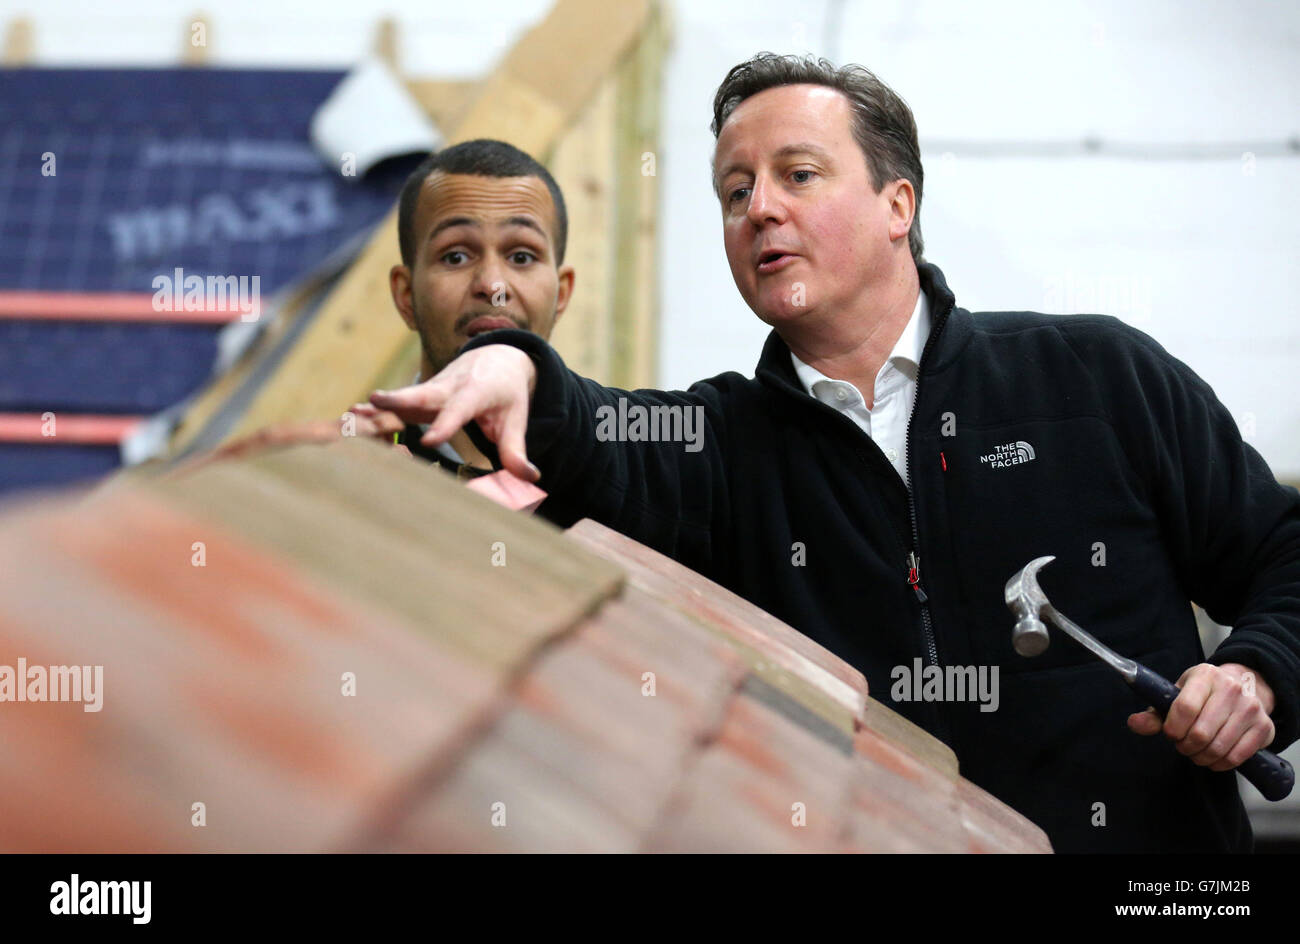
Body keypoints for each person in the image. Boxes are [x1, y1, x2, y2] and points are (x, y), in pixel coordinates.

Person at [370, 54, 1300, 853]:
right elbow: (596, 432)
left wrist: (1254, 673)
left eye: (798, 174)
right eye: (735, 192)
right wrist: (515, 367)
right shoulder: (718, 446)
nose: (759, 210)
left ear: (898, 203)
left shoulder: (1096, 379)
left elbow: (1284, 555)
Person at [348, 138, 574, 480]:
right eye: (455, 256)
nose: (493, 286)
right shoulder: (357, 469)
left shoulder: (616, 476)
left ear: (562, 294)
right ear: (406, 296)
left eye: (521, 256)